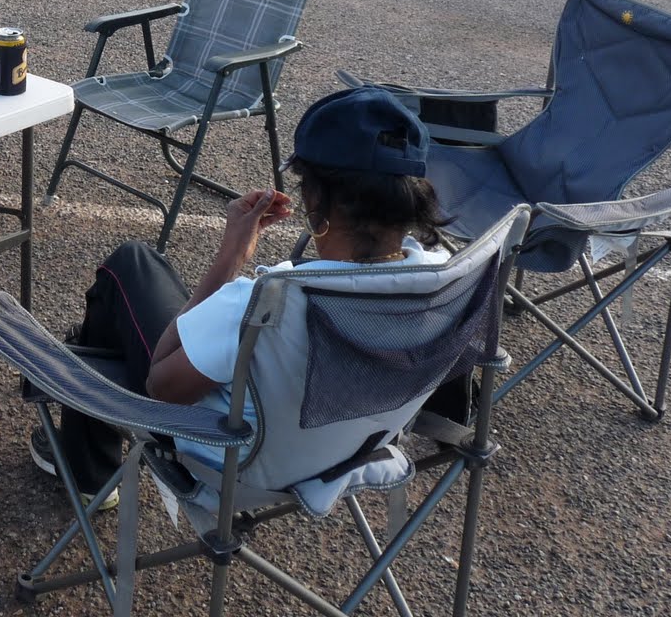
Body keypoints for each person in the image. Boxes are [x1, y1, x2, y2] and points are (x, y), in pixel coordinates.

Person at [28, 86, 448, 507]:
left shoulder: (272, 299)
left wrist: (231, 257)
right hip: (345, 452)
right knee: (138, 291)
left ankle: (87, 466)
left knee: (133, 264)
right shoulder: (442, 280)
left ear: (316, 200)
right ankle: (84, 453)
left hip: (228, 457)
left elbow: (162, 388)